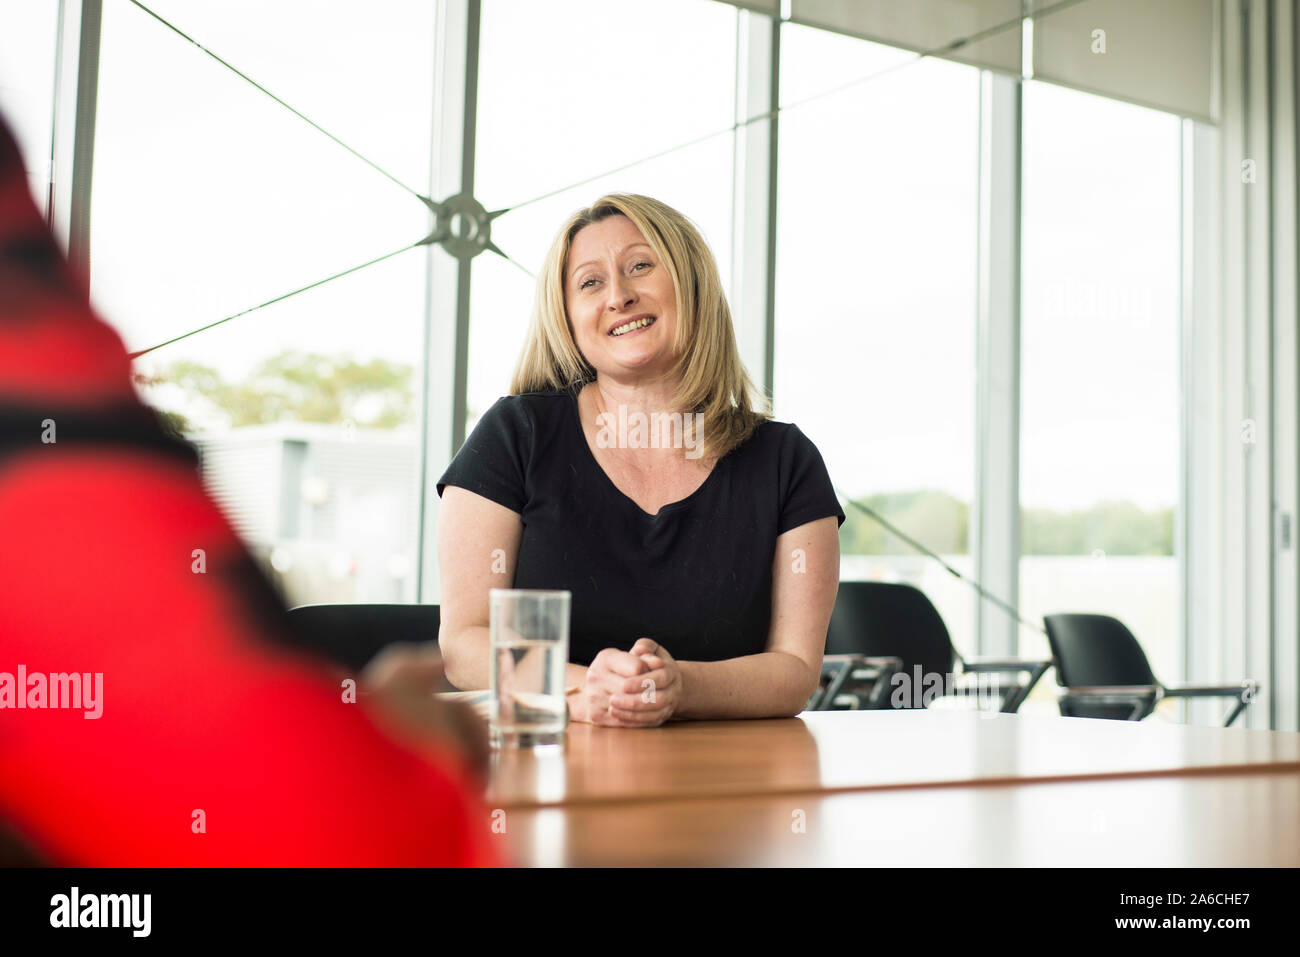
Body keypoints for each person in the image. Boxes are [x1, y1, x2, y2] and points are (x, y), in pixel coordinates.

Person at [0, 111, 498, 866]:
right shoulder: (519, 432)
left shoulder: (749, 450)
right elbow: (329, 831)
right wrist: (376, 749)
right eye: (589, 278)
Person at [437, 194, 844, 727]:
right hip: (548, 779)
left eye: (640, 267)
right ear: (567, 317)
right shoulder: (516, 435)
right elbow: (465, 643)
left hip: (724, 783)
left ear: (690, 283)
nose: (619, 296)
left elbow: (794, 670)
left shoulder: (786, 461)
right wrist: (591, 688)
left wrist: (679, 686)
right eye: (590, 283)